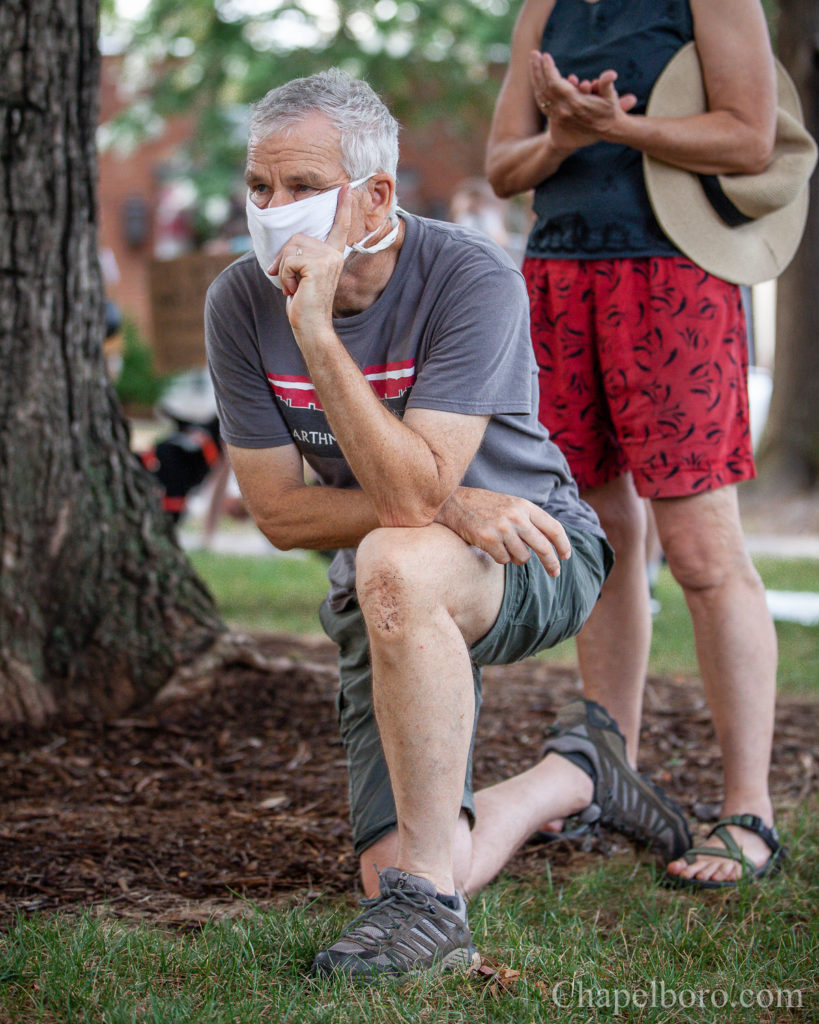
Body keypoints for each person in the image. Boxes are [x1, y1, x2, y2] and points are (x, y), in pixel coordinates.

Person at [205, 68, 691, 979]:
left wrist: (317, 335)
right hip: (394, 582)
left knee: (393, 548)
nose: (273, 209)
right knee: (385, 869)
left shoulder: (470, 275)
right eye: (259, 186)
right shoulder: (238, 301)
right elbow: (275, 513)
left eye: (304, 188)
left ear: (374, 195)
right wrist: (446, 500)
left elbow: (405, 503)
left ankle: (428, 916)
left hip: (540, 551)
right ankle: (577, 772)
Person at [485, 0, 810, 888]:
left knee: (702, 551)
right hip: (556, 279)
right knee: (600, 540)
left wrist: (620, 127)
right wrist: (561, 137)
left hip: (674, 278)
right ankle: (608, 778)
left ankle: (748, 814)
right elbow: (501, 167)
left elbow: (751, 142)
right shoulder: (542, 8)